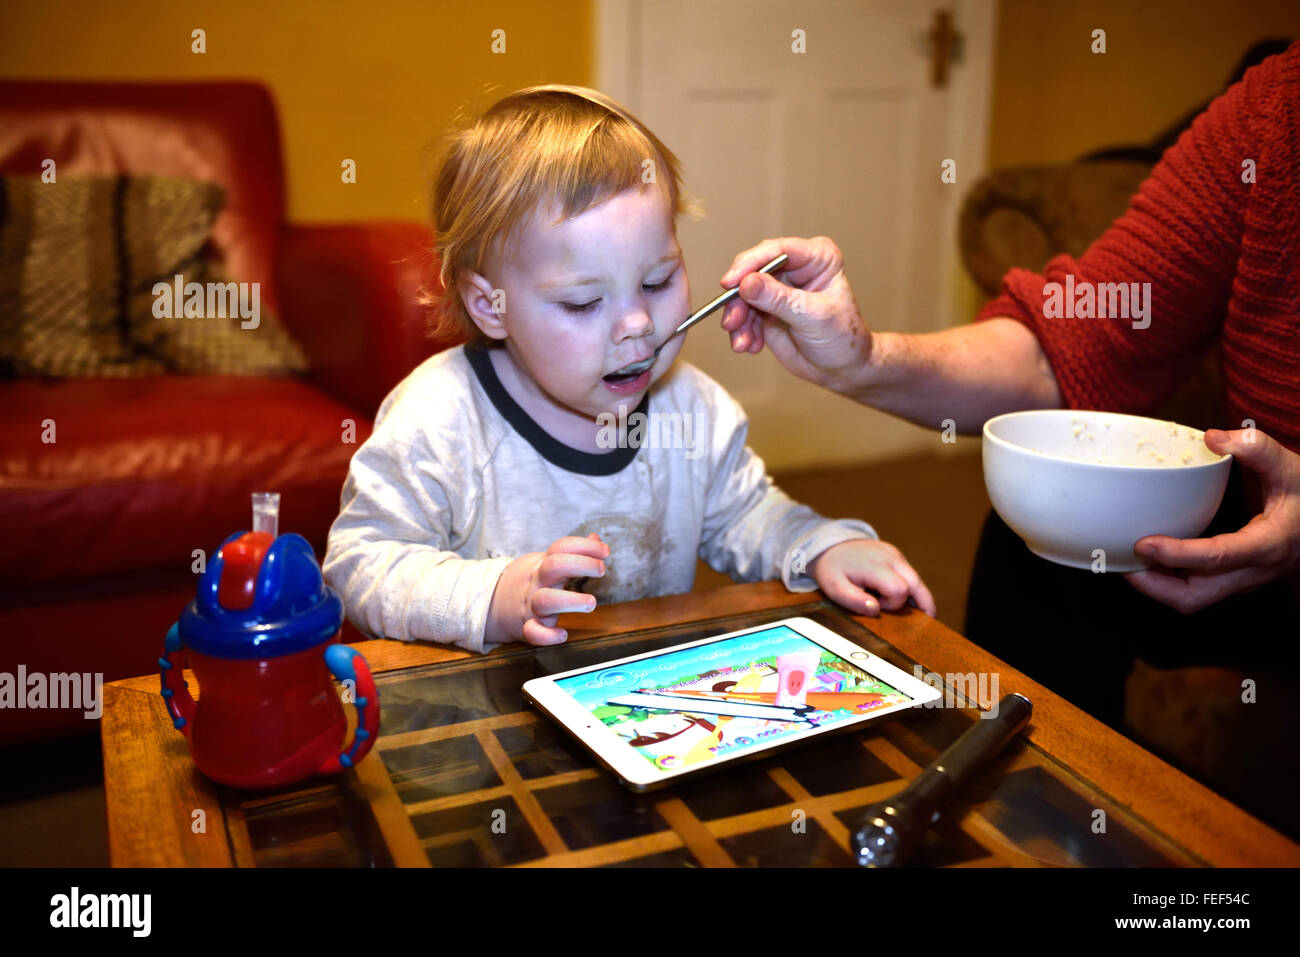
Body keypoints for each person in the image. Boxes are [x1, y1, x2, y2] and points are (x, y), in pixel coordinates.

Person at [716, 44, 1300, 834]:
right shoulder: (1273, 110)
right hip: (1262, 509)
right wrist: (861, 358)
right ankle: (1025, 831)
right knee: (1037, 555)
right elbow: (1070, 344)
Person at [323, 85, 935, 653]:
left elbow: (745, 517)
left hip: (641, 716)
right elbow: (358, 564)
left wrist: (824, 546)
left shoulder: (692, 407)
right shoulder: (440, 418)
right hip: (489, 726)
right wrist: (491, 596)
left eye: (657, 280)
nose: (639, 323)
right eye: (585, 302)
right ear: (491, 305)